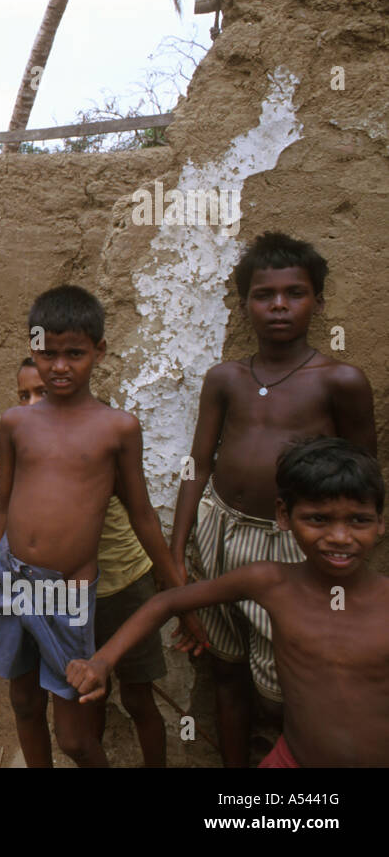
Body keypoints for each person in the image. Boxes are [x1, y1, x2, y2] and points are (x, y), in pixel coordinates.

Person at [170, 232, 376, 767]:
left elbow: (362, 481)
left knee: (287, 680)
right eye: (264, 295)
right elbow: (198, 464)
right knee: (225, 664)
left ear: (318, 302)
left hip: (288, 544)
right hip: (217, 529)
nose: (279, 306)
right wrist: (177, 552)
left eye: (295, 293)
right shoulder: (226, 379)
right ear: (244, 305)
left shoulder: (341, 381)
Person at [0, 286, 205, 767]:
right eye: (48, 353)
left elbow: (142, 514)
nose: (59, 367)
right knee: (22, 702)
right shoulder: (17, 423)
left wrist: (176, 590)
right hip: (12, 576)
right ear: (33, 349)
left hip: (66, 592)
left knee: (77, 737)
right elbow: (1, 504)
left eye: (75, 354)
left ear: (98, 352)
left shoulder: (116, 428)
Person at [71, 437, 388, 768]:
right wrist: (103, 662)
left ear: (380, 521)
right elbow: (165, 602)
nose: (340, 536)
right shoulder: (272, 582)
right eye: (318, 519)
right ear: (284, 515)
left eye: (359, 520)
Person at [14, 358, 168, 767]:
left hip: (121, 588)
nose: (31, 405)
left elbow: (144, 517)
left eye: (40, 394)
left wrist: (177, 587)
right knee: (86, 695)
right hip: (73, 598)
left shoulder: (98, 444)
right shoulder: (29, 450)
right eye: (23, 396)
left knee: (138, 697)